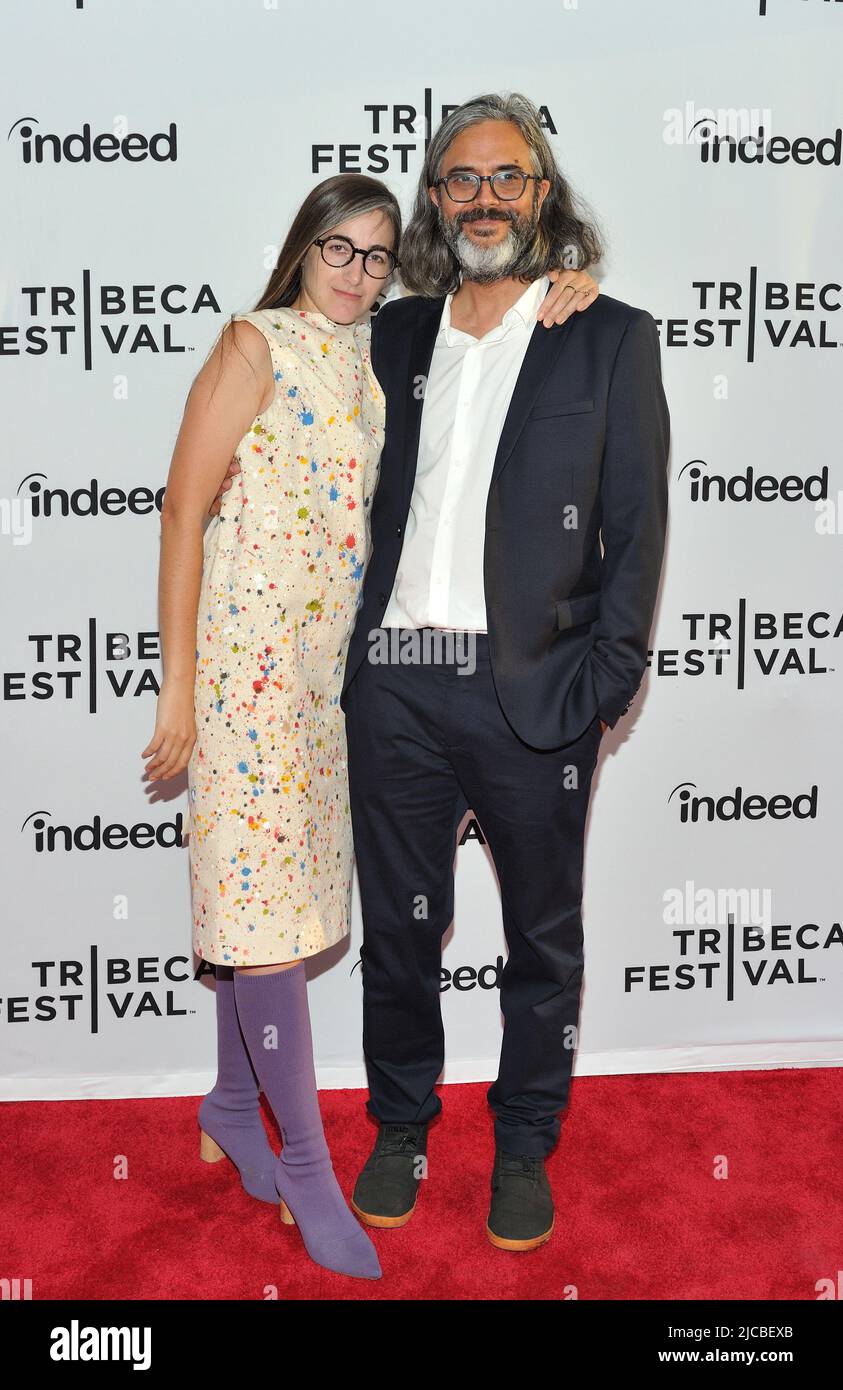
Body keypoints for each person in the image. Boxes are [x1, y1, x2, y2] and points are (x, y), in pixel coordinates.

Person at [145, 171, 599, 1280]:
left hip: (332, 690)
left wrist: (570, 279)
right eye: (335, 250)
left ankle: (228, 1104)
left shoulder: (385, 351)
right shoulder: (253, 345)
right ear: (301, 250)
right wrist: (177, 684)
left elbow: (494, 331)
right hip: (244, 687)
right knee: (259, 924)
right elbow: (183, 508)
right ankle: (303, 1158)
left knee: (276, 916)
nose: (354, 273)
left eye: (376, 254)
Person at [336, 93, 670, 1254]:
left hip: (535, 691)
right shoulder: (394, 335)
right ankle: (400, 1123)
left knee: (543, 937)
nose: (485, 197)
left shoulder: (608, 333)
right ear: (437, 201)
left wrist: (607, 676)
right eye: (462, 179)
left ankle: (525, 1141)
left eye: (508, 177)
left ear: (542, 194)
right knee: (398, 930)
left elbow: (634, 523)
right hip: (399, 682)